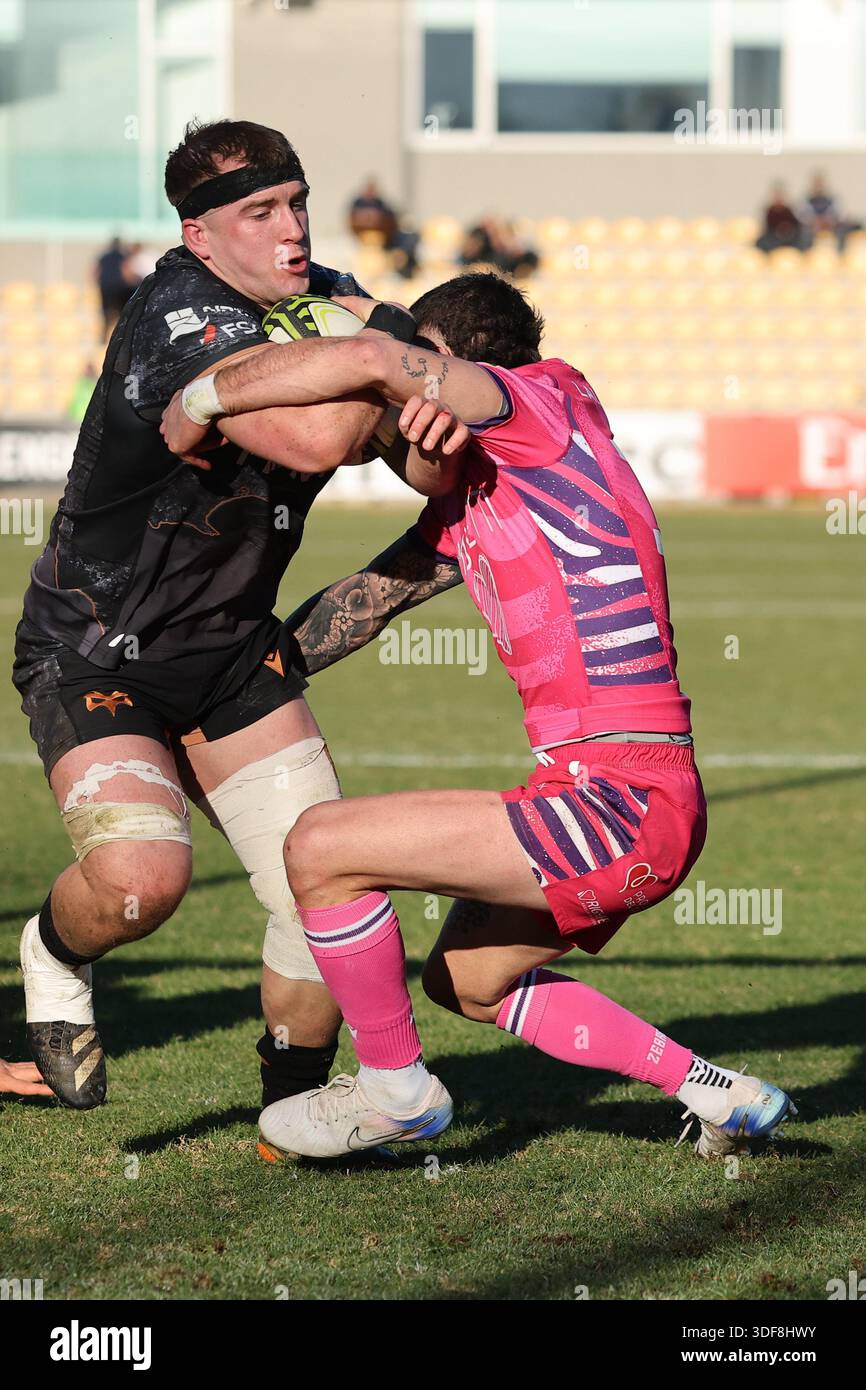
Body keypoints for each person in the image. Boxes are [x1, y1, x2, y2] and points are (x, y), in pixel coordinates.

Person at [162, 272, 796, 1163]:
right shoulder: (486, 490)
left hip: (618, 799)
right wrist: (226, 683)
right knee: (467, 978)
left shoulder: (538, 403)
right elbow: (365, 603)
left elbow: (380, 358)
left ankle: (395, 1093)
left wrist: (198, 395)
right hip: (623, 796)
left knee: (320, 848)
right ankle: (717, 1093)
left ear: (447, 362)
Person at [13, 118, 465, 1115]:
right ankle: (48, 958)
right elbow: (310, 439)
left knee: (329, 889)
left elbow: (432, 462)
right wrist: (389, 356)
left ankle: (293, 1111)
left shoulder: (327, 304)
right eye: (260, 210)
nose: (292, 227)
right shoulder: (177, 311)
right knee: (141, 879)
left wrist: (406, 388)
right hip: (98, 648)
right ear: (201, 232)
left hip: (229, 656)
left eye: (297, 202)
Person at [94, 236, 136, 340]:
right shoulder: (123, 256)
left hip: (105, 287)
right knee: (122, 313)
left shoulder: (103, 256)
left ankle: (104, 337)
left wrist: (100, 284)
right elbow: (126, 271)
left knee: (106, 313)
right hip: (119, 288)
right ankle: (120, 337)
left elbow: (95, 273)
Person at [755, 182, 807, 253]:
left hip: (791, 239)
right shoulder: (770, 211)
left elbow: (797, 227)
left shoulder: (790, 210)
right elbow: (766, 229)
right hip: (773, 239)